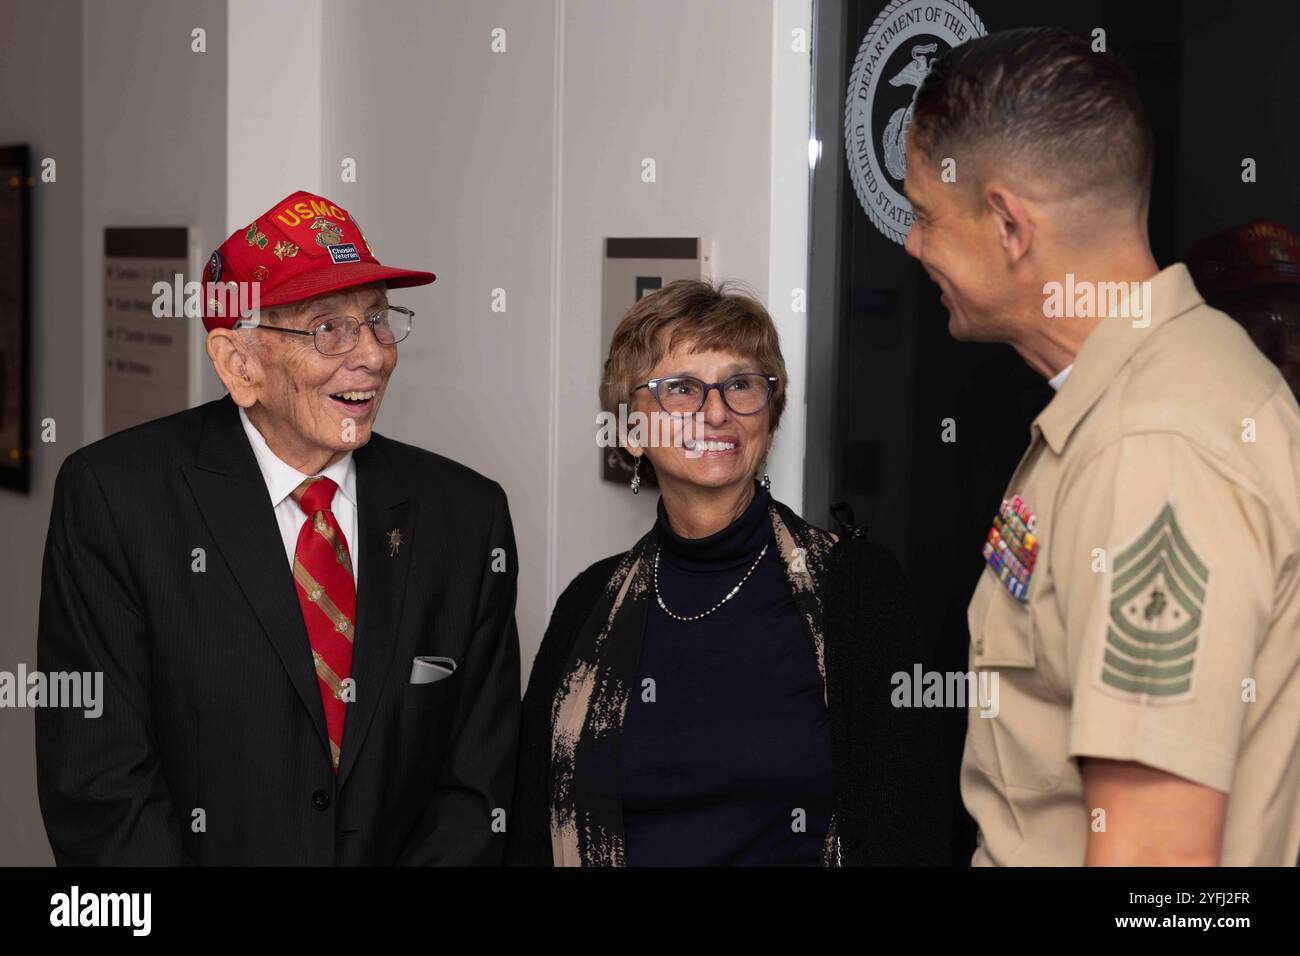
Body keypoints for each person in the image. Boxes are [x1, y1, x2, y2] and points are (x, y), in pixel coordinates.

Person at [904, 28, 1300, 865]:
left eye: (923, 216)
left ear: (1009, 224)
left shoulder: (1152, 449)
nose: (912, 246)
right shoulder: (1148, 394)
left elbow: (1154, 864)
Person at [35, 190, 520, 865]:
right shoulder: (117, 500)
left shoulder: (466, 516)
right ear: (239, 364)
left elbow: (479, 785)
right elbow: (100, 788)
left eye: (378, 320)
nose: (374, 356)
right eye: (328, 329)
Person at [507, 279, 949, 866]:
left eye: (740, 384)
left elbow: (912, 833)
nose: (715, 411)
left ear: (769, 416)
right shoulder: (589, 604)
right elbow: (531, 835)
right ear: (632, 432)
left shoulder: (855, 590)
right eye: (682, 389)